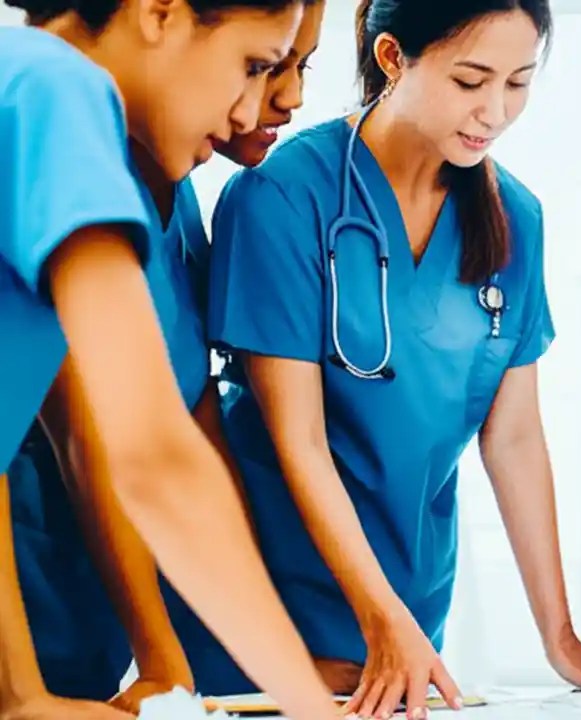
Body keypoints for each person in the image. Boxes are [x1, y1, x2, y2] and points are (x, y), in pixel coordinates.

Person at [201, 2, 581, 717]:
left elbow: (514, 437)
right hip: (272, 604)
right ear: (393, 57)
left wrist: (557, 633)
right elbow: (298, 442)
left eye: (519, 83)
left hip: (410, 598)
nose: (494, 112)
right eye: (471, 81)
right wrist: (380, 618)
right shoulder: (281, 199)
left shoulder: (515, 219)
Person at [0, 0, 337, 718]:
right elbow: (153, 453)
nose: (250, 111)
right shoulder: (55, 89)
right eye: (252, 65)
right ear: (160, 12)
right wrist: (309, 705)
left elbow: (91, 435)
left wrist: (19, 694)